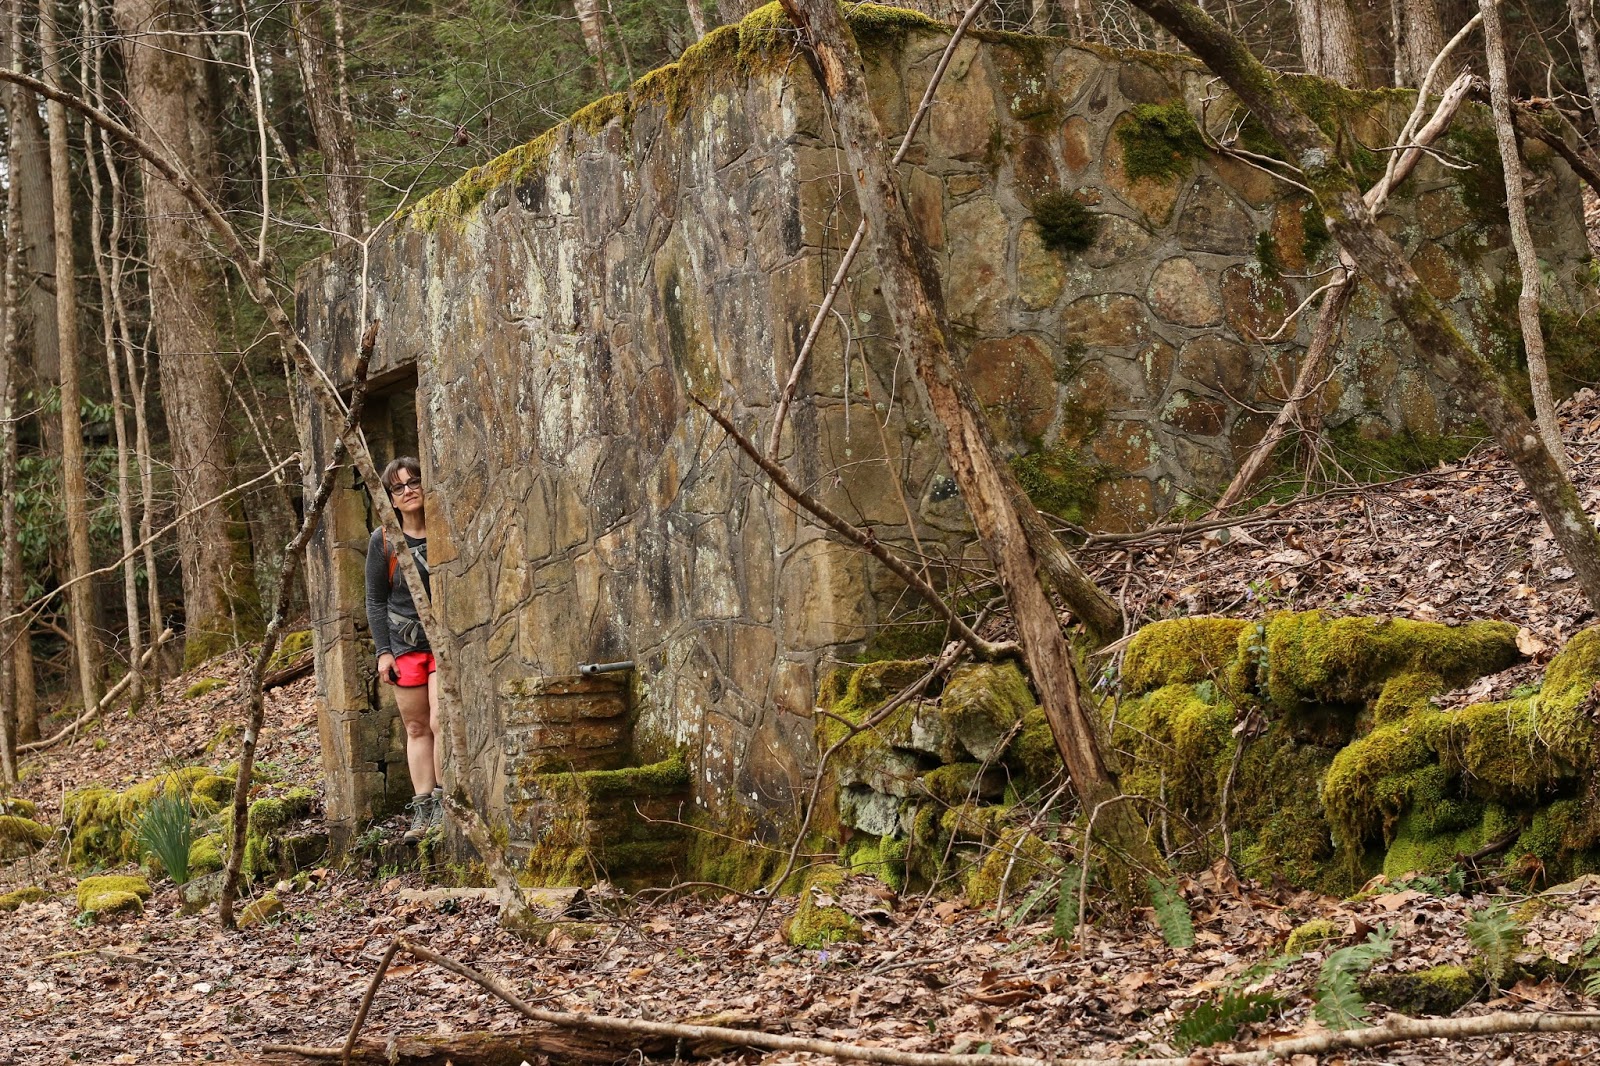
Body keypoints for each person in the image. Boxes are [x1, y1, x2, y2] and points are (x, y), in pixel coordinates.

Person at [365, 457, 442, 843]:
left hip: (444, 645)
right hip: (404, 645)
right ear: (391, 499)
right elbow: (375, 601)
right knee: (415, 727)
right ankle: (423, 807)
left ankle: (446, 803)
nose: (409, 490)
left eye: (415, 482)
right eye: (399, 487)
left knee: (440, 720)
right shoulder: (384, 540)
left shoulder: (444, 527)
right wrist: (384, 651)